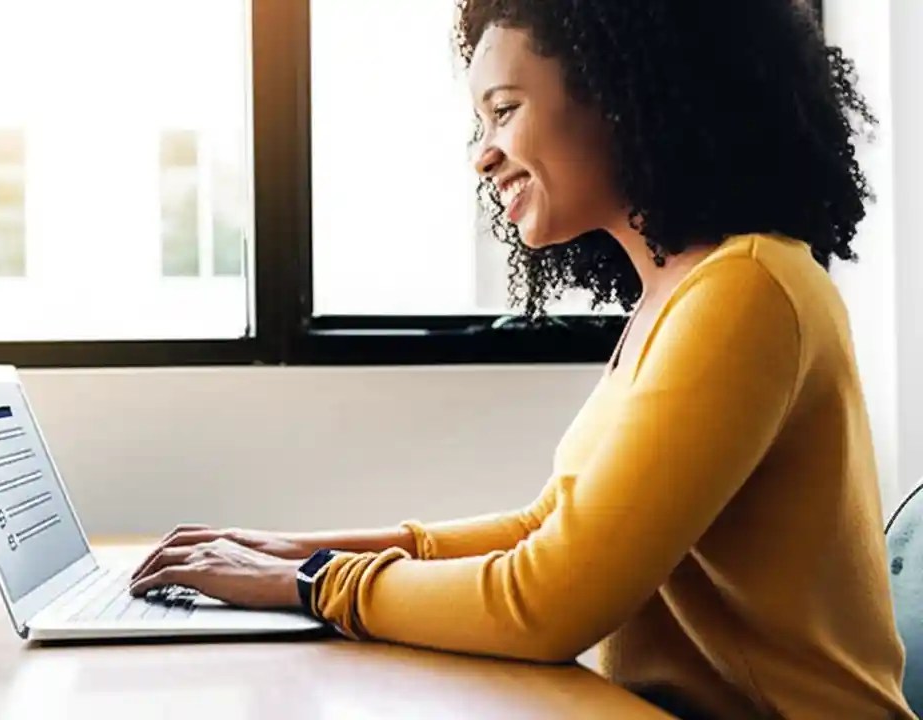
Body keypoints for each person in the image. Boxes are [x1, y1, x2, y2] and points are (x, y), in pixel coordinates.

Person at [129, 1, 913, 717]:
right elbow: (552, 526)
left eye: (504, 111)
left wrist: (311, 587)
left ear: (616, 92)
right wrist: (301, 551)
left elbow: (547, 601)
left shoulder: (747, 290)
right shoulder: (679, 293)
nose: (483, 155)